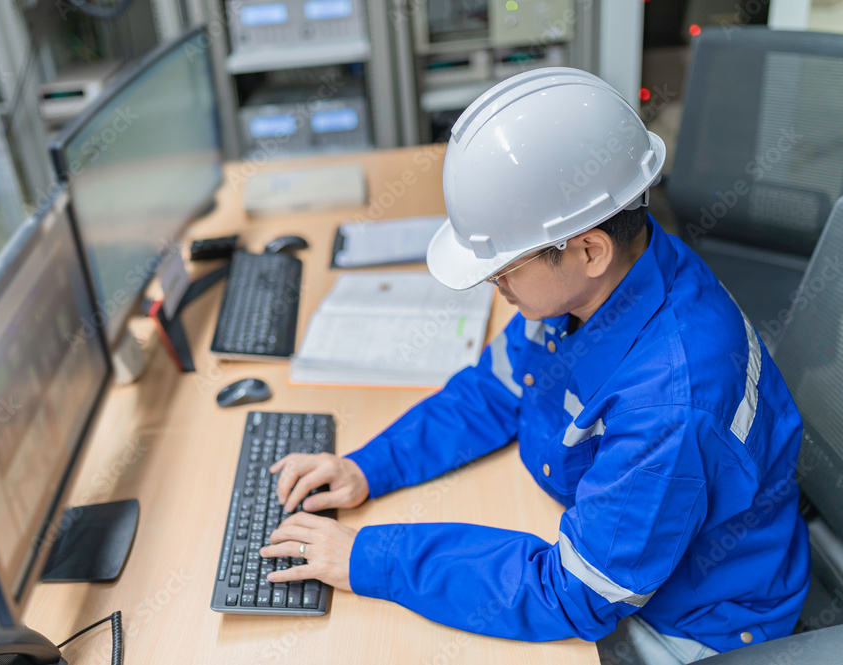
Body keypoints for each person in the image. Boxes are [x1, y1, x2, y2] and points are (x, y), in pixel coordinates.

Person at [258, 69, 809, 664]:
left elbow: (574, 595)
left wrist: (372, 558)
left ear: (589, 249)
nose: (497, 287)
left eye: (504, 271)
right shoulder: (610, 274)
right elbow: (496, 391)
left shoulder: (669, 405)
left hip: (699, 620)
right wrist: (368, 468)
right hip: (620, 548)